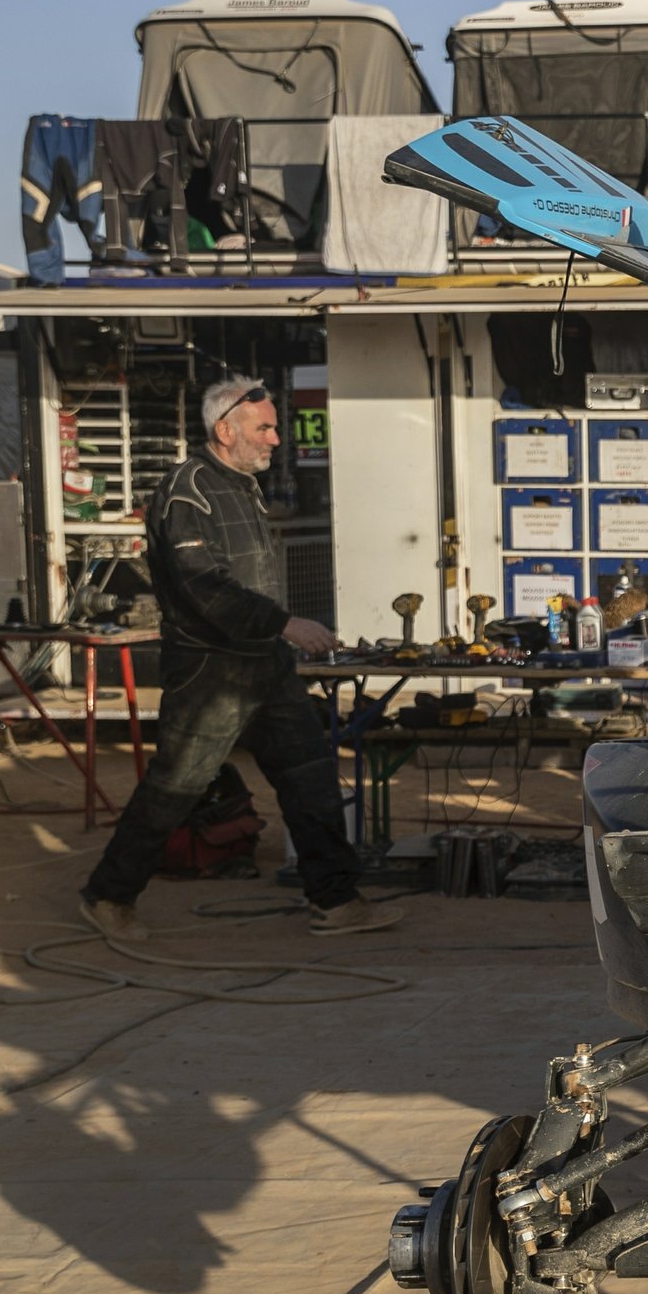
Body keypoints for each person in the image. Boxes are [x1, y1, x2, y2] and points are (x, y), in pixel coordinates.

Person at [78, 378, 397, 940]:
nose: (276, 439)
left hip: (264, 663)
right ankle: (108, 895)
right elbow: (207, 587)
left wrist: (276, 634)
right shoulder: (186, 491)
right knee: (176, 787)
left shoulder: (241, 484)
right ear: (225, 431)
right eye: (264, 429)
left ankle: (336, 898)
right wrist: (285, 624)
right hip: (211, 671)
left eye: (274, 427)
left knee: (310, 777)